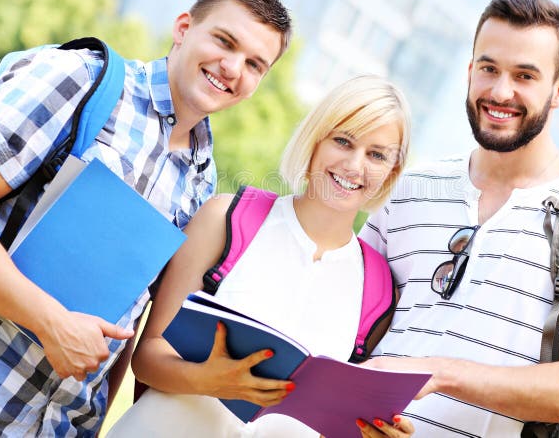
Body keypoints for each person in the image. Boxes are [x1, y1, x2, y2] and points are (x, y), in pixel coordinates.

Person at [0, 0, 292, 437]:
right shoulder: (78, 79)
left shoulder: (201, 183)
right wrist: (51, 323)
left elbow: (130, 320)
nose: (232, 67)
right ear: (183, 27)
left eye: (255, 64)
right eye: (225, 40)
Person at [356, 0, 559, 437]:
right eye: (488, 69)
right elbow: (353, 326)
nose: (500, 91)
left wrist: (441, 373)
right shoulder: (411, 189)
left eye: (525, 75)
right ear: (470, 72)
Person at [106, 76, 415, 438]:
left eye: (376, 155)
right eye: (343, 141)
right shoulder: (226, 218)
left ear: (392, 172)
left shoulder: (377, 290)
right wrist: (207, 380)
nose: (354, 165)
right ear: (316, 140)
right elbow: (146, 359)